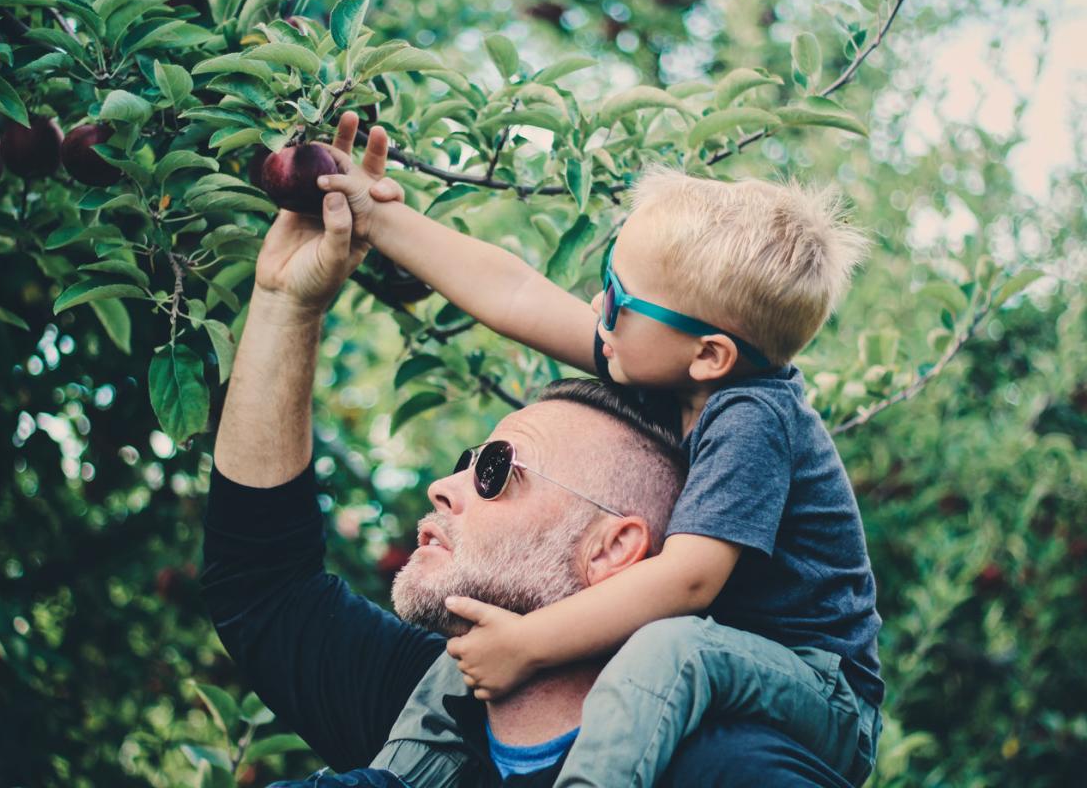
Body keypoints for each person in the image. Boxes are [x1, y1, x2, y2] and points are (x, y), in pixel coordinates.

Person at [203, 113, 856, 786]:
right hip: (725, 665)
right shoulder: (670, 364)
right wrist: (374, 222)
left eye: (495, 469)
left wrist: (529, 645)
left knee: (672, 645)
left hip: (817, 684)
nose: (598, 306)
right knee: (453, 680)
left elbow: (690, 580)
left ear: (614, 547)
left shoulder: (751, 417)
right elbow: (515, 294)